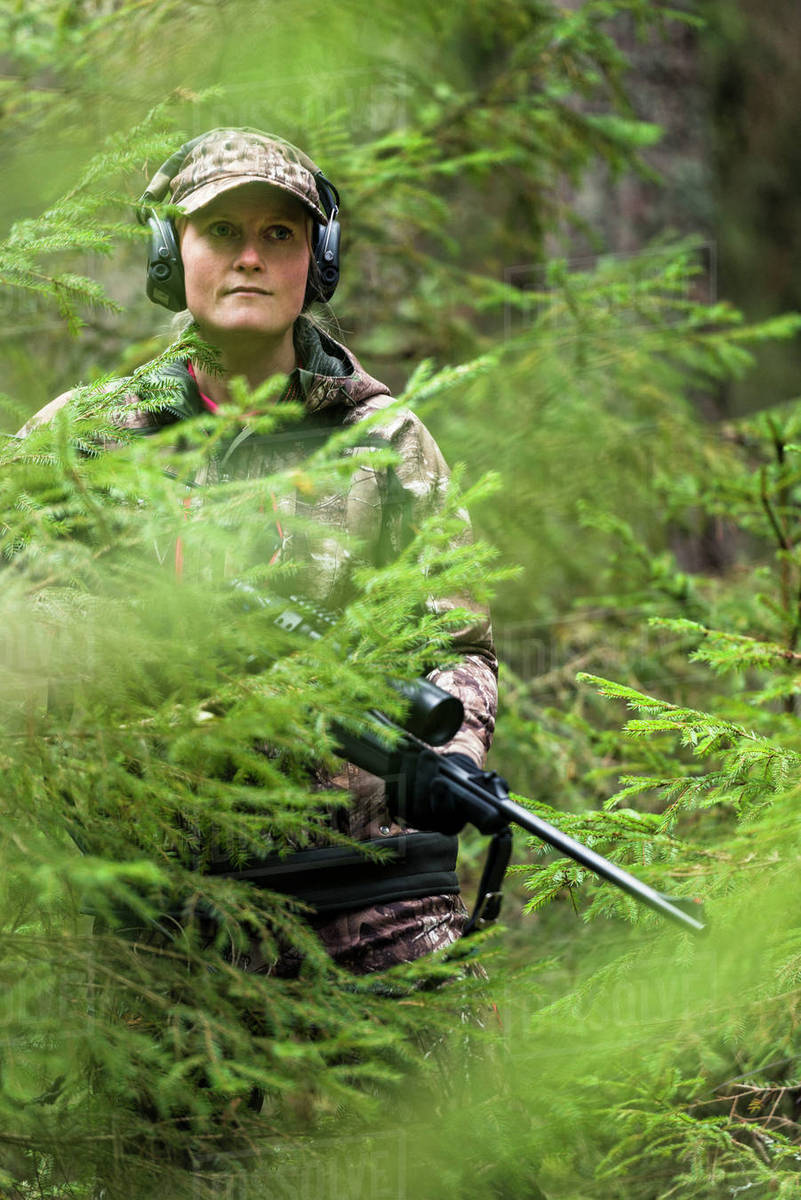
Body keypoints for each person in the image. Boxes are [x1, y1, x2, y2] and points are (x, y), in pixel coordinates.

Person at [20, 127, 500, 977]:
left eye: (279, 234)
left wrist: (447, 757)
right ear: (170, 254)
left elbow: (454, 643)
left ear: (316, 259)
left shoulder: (384, 441)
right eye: (220, 232)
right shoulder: (84, 438)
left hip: (363, 888)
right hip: (144, 899)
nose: (250, 257)